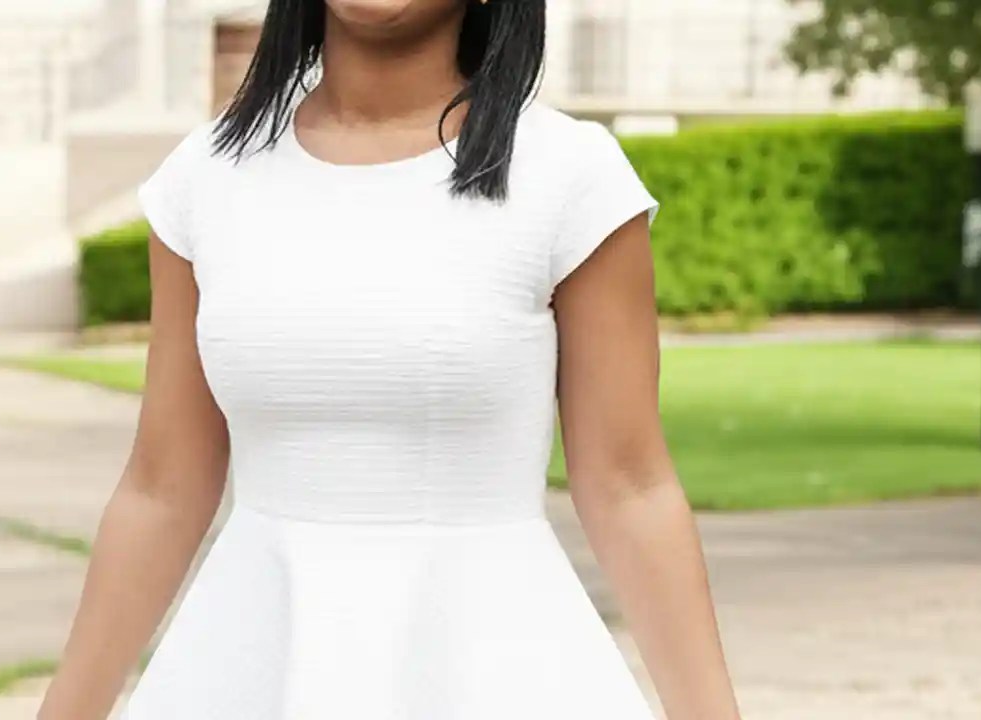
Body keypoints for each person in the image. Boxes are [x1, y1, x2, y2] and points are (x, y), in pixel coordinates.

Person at [39, 0, 741, 718]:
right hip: (253, 658)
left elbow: (630, 486)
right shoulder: (206, 177)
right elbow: (162, 487)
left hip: (494, 663)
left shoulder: (569, 174)